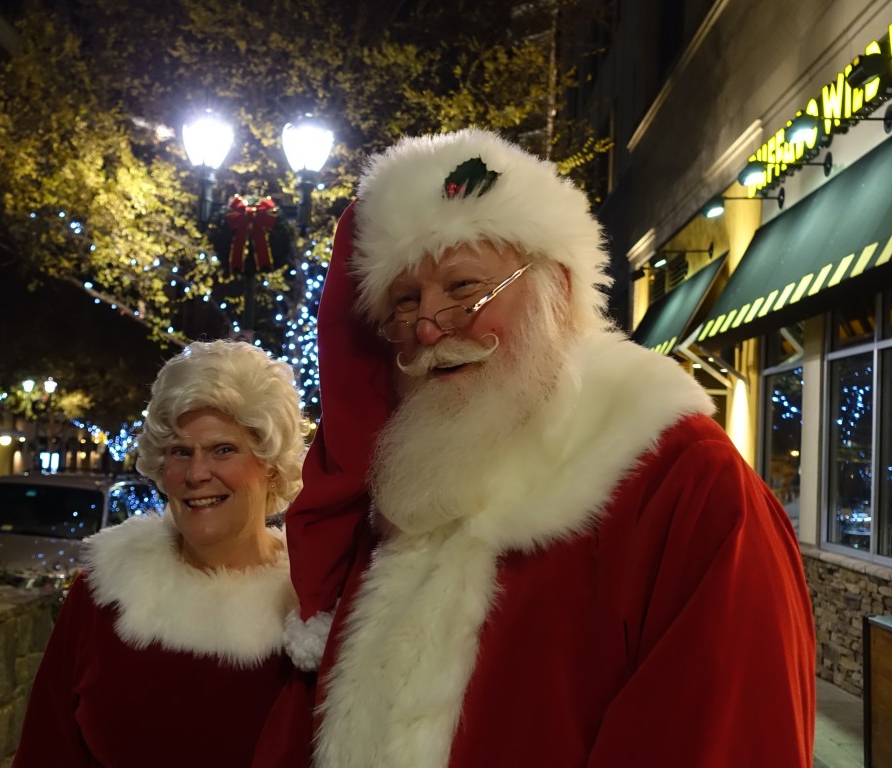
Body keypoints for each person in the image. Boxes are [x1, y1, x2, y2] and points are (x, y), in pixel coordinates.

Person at [283, 128, 816, 767]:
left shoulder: (684, 484)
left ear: (557, 294)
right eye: (405, 302)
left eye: (462, 289)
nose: (428, 327)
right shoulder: (405, 502)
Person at [14, 340, 309, 767]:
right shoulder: (103, 597)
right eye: (180, 452)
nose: (195, 474)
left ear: (271, 465)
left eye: (223, 449)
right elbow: (46, 750)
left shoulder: (311, 611)